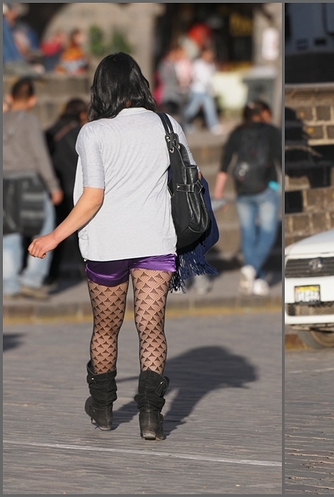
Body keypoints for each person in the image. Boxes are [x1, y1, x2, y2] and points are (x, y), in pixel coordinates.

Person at [28, 52, 194, 441]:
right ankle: (151, 416)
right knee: (151, 328)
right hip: (155, 240)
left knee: (106, 329)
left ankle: (102, 407)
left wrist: (52, 238)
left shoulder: (94, 132)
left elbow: (92, 198)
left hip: (107, 245)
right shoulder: (168, 124)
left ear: (101, 88)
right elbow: (191, 174)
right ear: (139, 83)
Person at [3, 77, 63, 300]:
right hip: (30, 183)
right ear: (32, 99)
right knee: (45, 229)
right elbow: (40, 156)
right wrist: (53, 186)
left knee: (8, 233)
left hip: (4, 184)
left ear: (10, 98)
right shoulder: (30, 121)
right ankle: (32, 278)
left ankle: (8, 283)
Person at [213, 100, 282, 296]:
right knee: (267, 233)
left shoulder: (237, 132)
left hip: (243, 190)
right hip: (266, 189)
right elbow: (278, 159)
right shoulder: (271, 132)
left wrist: (219, 193)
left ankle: (255, 277)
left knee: (248, 234)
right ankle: (253, 271)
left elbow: (225, 163)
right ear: (264, 113)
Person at [44, 97, 88, 282]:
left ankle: (52, 272)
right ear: (82, 114)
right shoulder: (84, 133)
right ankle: (82, 270)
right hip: (77, 190)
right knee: (81, 231)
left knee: (56, 230)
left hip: (55, 188)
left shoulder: (49, 132)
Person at [183, 46, 221, 134]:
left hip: (206, 91)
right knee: (191, 110)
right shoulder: (197, 64)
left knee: (210, 107)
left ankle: (213, 126)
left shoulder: (210, 65)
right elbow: (200, 77)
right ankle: (184, 124)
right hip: (197, 90)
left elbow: (212, 76)